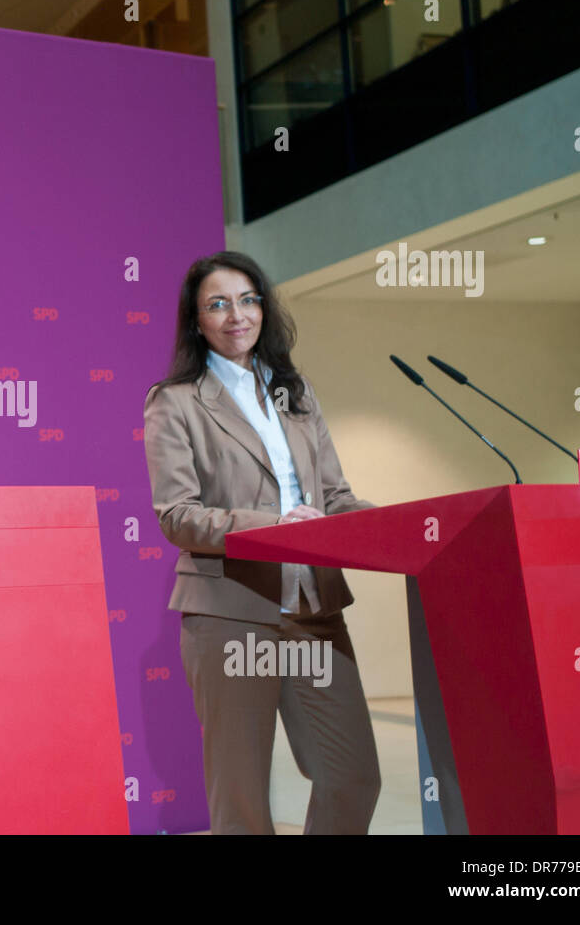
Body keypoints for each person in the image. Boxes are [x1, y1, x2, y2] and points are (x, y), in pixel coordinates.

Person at [142, 250, 381, 834]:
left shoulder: (295, 395)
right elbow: (177, 516)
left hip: (313, 608)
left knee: (352, 776)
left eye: (248, 300)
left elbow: (335, 498)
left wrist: (402, 524)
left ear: (264, 309)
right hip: (230, 613)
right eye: (217, 304)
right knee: (242, 797)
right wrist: (272, 527)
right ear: (197, 321)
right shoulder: (175, 402)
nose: (236, 316)